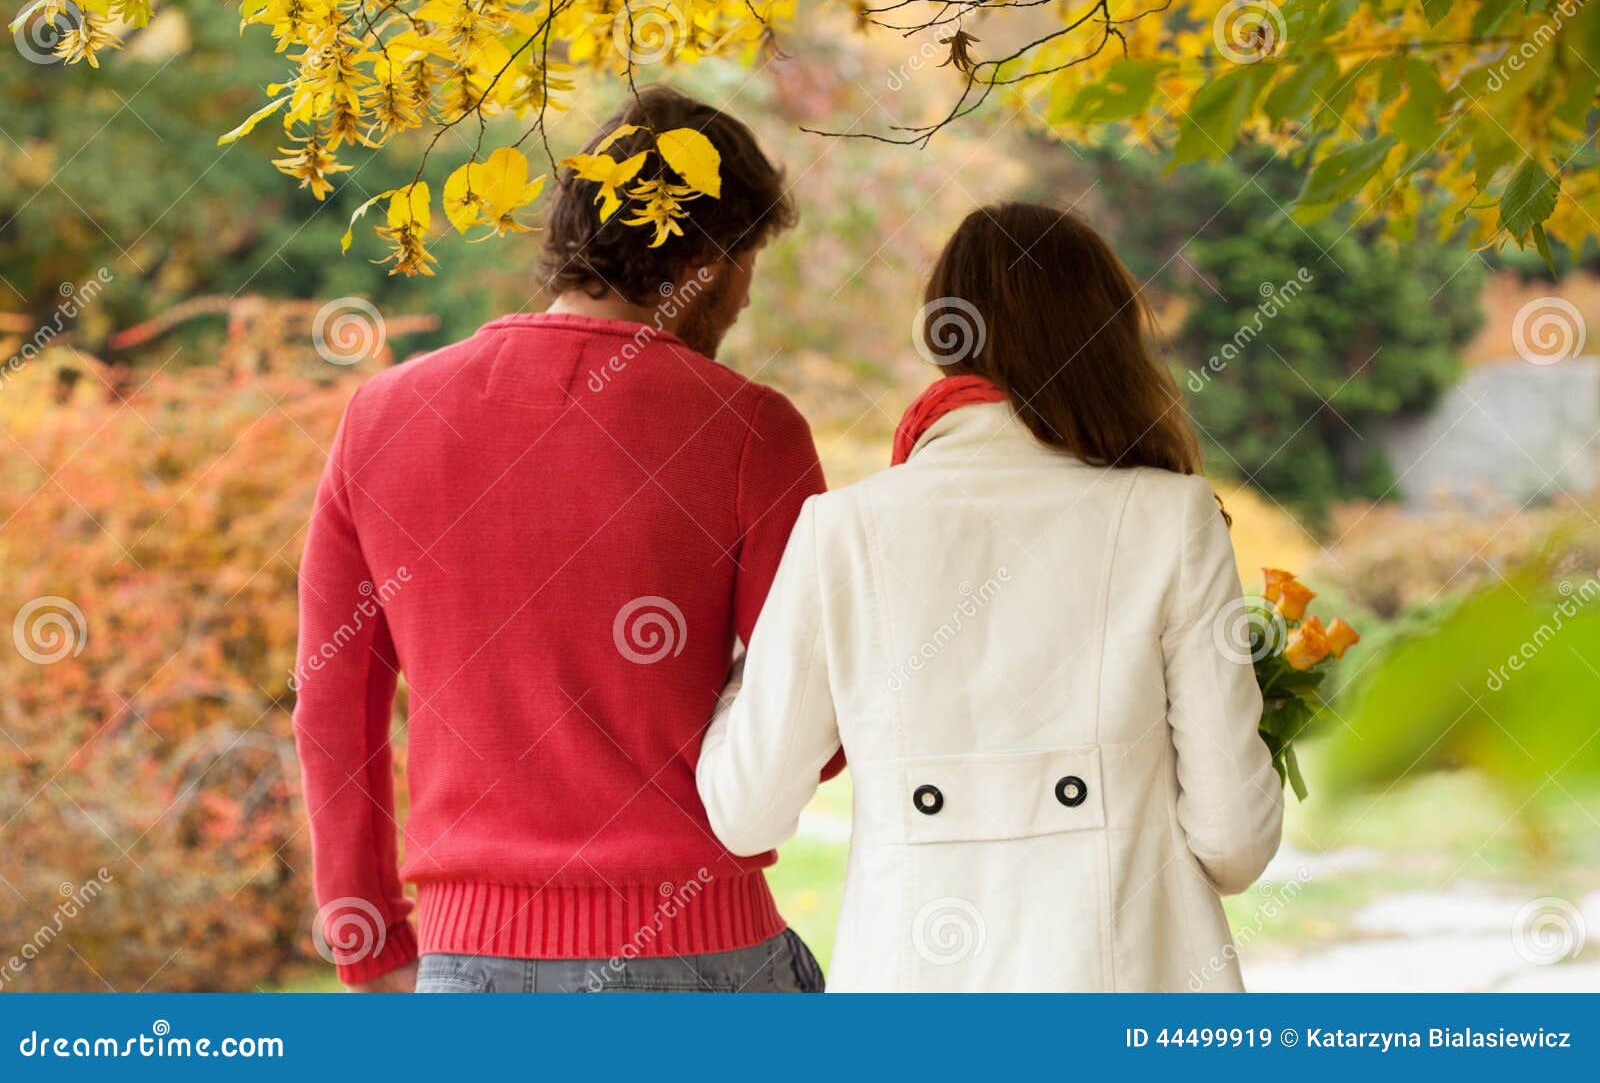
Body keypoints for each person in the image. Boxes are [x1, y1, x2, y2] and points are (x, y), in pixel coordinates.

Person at [293, 85, 831, 994]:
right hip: (703, 954)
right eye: (748, 264)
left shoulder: (382, 416)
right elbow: (820, 706)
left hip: (471, 966)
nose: (742, 301)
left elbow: (333, 705)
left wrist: (367, 934)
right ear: (703, 255)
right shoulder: (752, 431)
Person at [697, 202, 1283, 991]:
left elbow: (746, 811)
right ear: (1109, 336)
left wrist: (737, 665)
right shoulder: (1170, 516)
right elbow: (1235, 840)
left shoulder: (842, 529)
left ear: (945, 336)